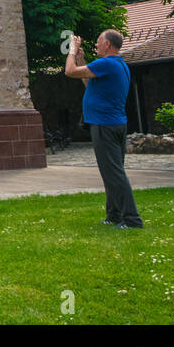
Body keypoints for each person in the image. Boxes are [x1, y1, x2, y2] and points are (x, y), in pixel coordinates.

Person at [65, 30, 143, 229]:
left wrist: (72, 51)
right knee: (112, 171)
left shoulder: (106, 63)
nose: (96, 45)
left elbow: (70, 72)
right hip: (116, 124)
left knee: (113, 172)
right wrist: (83, 60)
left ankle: (132, 219)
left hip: (104, 125)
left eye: (99, 42)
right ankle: (114, 215)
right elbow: (88, 82)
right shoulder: (119, 65)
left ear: (108, 44)